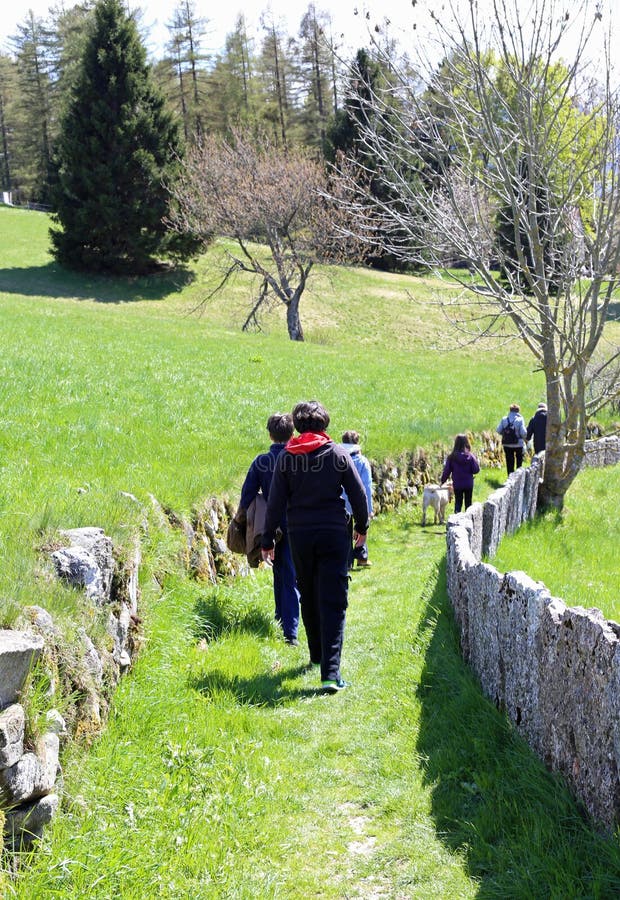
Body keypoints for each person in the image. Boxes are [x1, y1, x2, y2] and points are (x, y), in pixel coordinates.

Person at [261, 401, 369, 694]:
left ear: (297, 426)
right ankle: (330, 673)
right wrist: (361, 528)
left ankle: (316, 655)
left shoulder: (287, 457)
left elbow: (275, 504)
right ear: (324, 424)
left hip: (300, 535)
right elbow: (358, 495)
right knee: (334, 598)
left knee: (307, 593)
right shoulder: (337, 454)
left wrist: (267, 541)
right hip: (333, 533)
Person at [238, 413, 300, 646]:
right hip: (295, 523)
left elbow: (247, 495)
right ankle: (289, 630)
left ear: (270, 435)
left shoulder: (261, 462)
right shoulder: (298, 459)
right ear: (292, 434)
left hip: (269, 527)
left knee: (279, 572)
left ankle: (283, 623)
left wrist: (246, 517)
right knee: (289, 575)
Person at [341, 430, 374, 569]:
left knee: (345, 532)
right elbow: (367, 487)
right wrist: (369, 509)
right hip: (358, 500)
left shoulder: (338, 459)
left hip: (341, 501)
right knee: (362, 526)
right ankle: (362, 557)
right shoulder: (362, 461)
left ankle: (347, 562)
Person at [441, 434, 480, 513]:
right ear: (466, 443)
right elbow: (476, 470)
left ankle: (456, 517)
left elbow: (447, 471)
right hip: (468, 484)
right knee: (468, 503)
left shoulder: (451, 457)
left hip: (457, 484)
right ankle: (469, 518)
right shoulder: (470, 456)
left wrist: (442, 481)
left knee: (458, 502)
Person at [497, 403, 528, 475]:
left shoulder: (504, 419)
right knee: (519, 461)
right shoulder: (520, 419)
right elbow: (523, 433)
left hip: (507, 444)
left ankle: (510, 477)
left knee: (509, 461)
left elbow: (498, 430)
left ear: (510, 410)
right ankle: (518, 476)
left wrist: (505, 434)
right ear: (518, 411)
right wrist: (524, 438)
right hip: (518, 444)